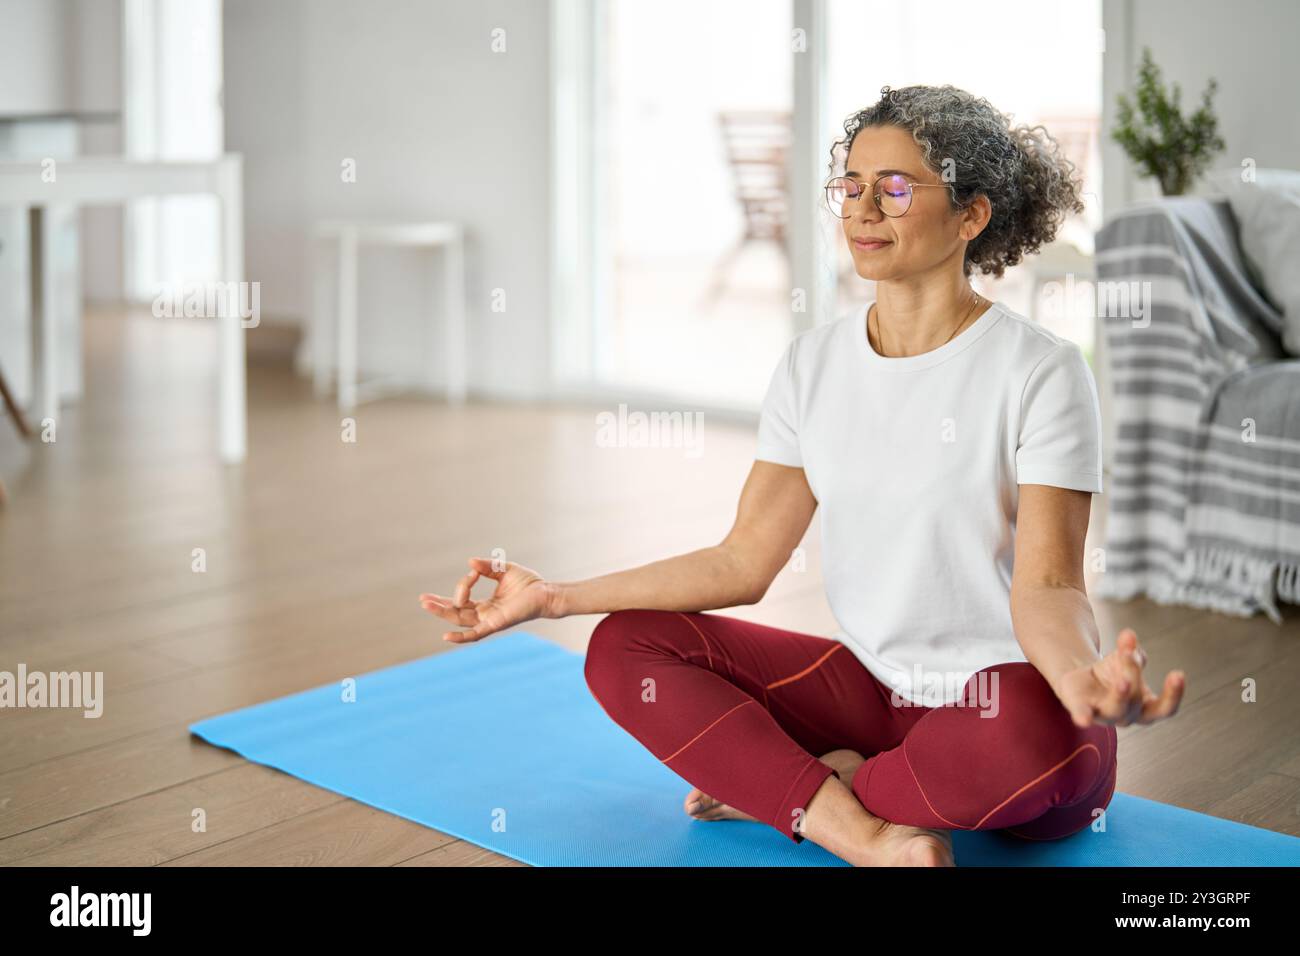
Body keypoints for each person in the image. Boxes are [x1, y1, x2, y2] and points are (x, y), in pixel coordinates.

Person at [420, 84, 1186, 867]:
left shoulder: (1041, 371)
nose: (861, 211)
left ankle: (801, 790)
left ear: (972, 216)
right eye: (850, 187)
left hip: (1000, 704)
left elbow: (1050, 586)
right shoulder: (812, 365)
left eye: (894, 189)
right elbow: (742, 562)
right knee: (624, 648)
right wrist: (556, 597)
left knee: (1045, 731)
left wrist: (1079, 677)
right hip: (869, 692)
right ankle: (855, 830)